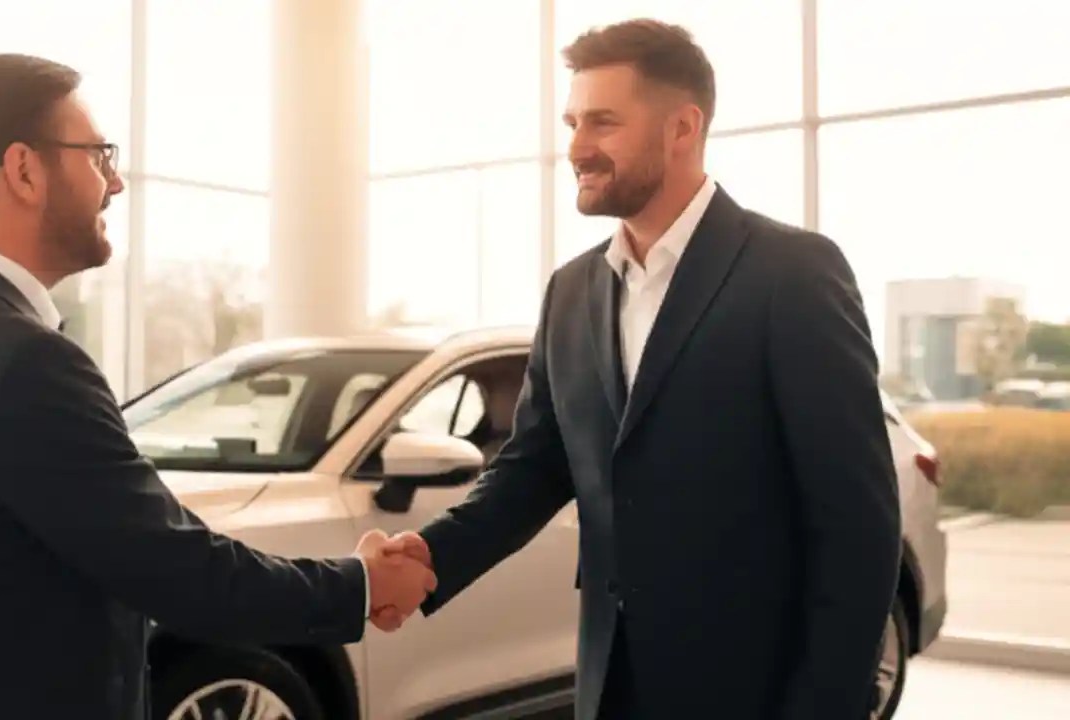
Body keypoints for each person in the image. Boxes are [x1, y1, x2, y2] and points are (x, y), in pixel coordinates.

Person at [0, 53, 435, 720]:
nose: (115, 182)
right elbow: (179, 571)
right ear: (23, 170)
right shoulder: (23, 361)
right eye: (97, 155)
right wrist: (359, 585)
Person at [380, 19, 901, 720]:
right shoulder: (571, 291)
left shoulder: (793, 274)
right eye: (571, 122)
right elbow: (533, 468)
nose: (576, 148)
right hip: (609, 681)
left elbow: (857, 527)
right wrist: (428, 556)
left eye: (602, 122)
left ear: (682, 127)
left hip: (756, 691)